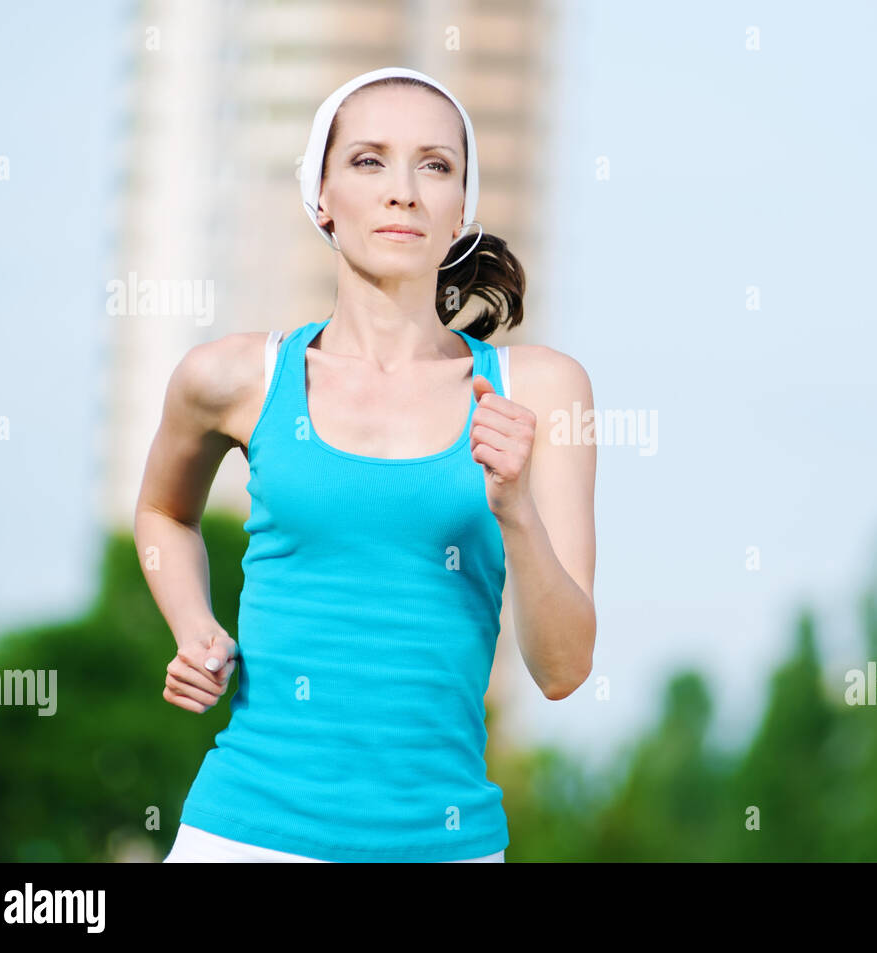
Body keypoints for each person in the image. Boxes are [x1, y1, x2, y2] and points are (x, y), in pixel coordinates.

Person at [134, 67, 597, 862]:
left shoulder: (540, 391)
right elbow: (163, 514)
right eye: (368, 160)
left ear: (462, 209)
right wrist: (195, 625)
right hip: (247, 830)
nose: (403, 191)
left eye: (435, 165)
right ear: (321, 196)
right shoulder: (234, 378)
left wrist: (515, 507)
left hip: (446, 841)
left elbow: (562, 669)